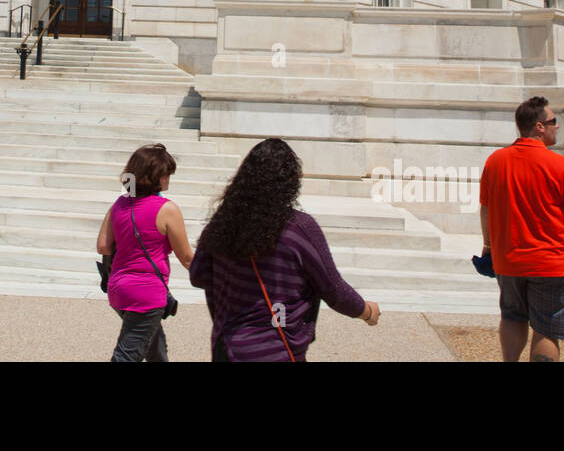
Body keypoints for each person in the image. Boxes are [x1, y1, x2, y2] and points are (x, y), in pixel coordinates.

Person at [189, 138, 380, 361]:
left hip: (227, 348)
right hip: (276, 350)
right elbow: (333, 289)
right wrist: (366, 311)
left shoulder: (222, 223)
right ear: (290, 182)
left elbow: (198, 276)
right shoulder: (298, 229)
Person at [479, 96, 564, 362]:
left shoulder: (495, 161)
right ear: (539, 126)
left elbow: (486, 208)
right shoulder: (560, 165)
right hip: (550, 263)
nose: (557, 127)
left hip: (508, 262)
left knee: (512, 316)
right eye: (554, 121)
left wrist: (488, 247)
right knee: (546, 331)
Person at [96, 143, 193, 362]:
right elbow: (186, 257)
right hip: (147, 293)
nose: (169, 178)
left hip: (118, 289)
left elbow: (103, 246)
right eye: (166, 173)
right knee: (127, 355)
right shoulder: (167, 209)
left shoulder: (119, 205)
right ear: (155, 175)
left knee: (154, 347)